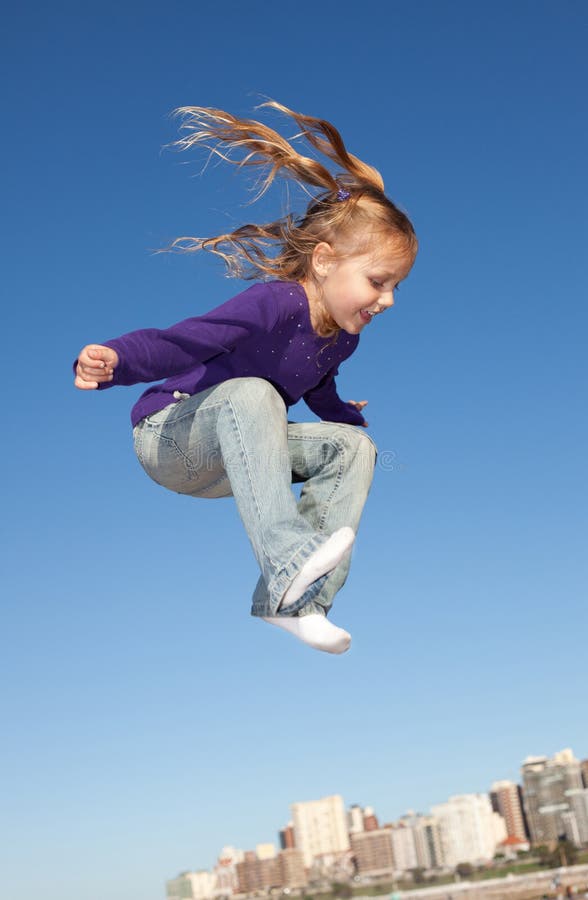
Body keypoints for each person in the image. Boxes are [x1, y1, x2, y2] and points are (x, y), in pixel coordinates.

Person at [74, 102, 417, 653]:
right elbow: (186, 338)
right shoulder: (275, 302)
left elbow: (319, 390)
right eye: (378, 282)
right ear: (325, 261)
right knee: (254, 395)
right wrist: (117, 360)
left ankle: (299, 603)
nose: (389, 300)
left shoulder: (343, 338)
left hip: (240, 456)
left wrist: (348, 417)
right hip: (171, 437)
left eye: (397, 286)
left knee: (353, 448)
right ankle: (288, 559)